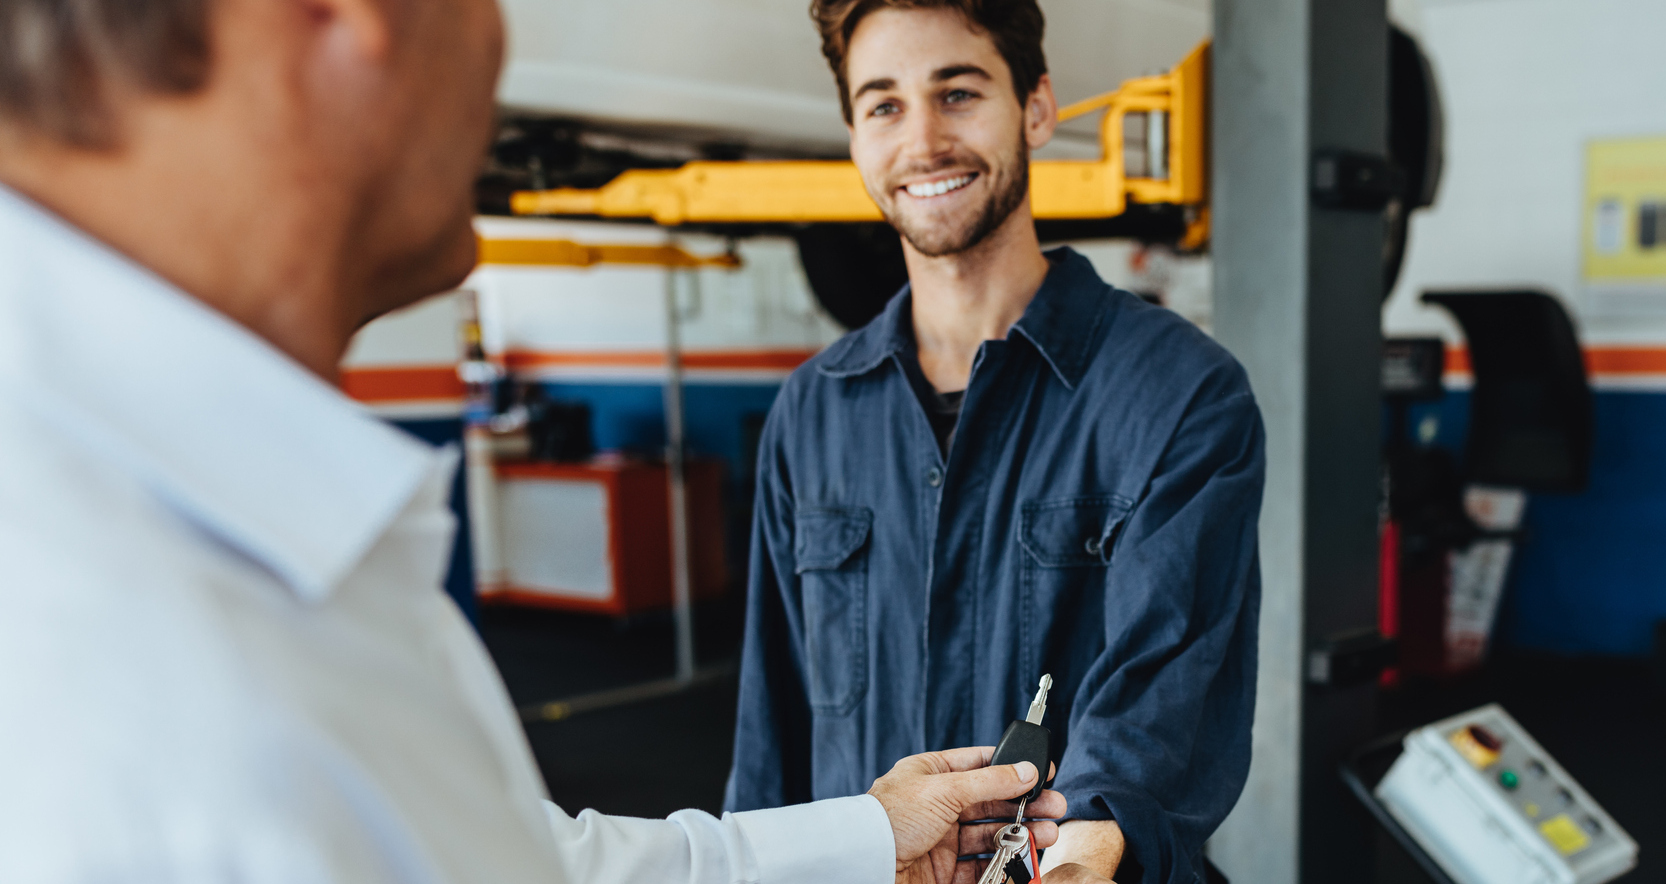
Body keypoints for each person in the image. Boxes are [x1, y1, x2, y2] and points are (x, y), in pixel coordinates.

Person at [0, 1, 1075, 882]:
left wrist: (867, 836)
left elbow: (523, 864)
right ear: (342, 14)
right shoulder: (121, 667)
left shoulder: (178, 545)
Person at [724, 2, 1266, 882]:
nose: (923, 140)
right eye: (884, 105)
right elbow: (772, 726)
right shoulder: (812, 410)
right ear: (855, 138)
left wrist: (1088, 848)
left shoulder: (1179, 391)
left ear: (1036, 108)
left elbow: (1166, 690)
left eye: (958, 93)